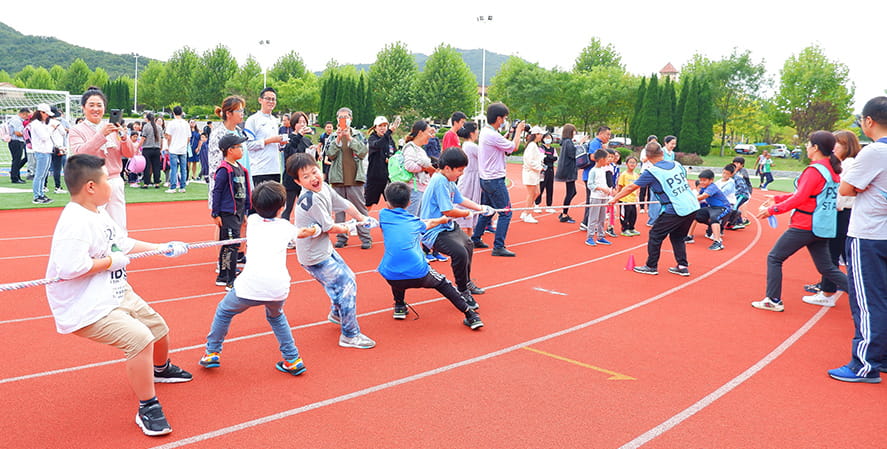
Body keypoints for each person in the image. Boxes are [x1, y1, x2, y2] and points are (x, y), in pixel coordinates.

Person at [45, 154, 191, 436]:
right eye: (107, 180)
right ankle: (148, 406)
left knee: (158, 328)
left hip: (114, 289)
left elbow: (121, 242)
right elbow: (71, 268)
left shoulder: (98, 211)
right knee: (140, 339)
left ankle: (160, 369)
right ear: (90, 186)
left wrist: (162, 247)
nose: (113, 185)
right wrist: (112, 262)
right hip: (86, 303)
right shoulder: (75, 223)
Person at [200, 181, 315, 375]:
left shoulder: (252, 221)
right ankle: (292, 359)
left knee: (224, 312)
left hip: (249, 288)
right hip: (278, 289)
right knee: (277, 317)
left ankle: (212, 352)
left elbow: (245, 221)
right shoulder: (285, 226)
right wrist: (315, 229)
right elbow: (303, 233)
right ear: (283, 207)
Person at [286, 153, 377, 349]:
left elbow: (344, 205)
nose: (313, 178)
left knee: (347, 279)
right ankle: (350, 335)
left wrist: (362, 218)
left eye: (314, 171)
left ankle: (337, 313)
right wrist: (351, 227)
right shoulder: (310, 199)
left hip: (323, 249)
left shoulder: (324, 189)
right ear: (298, 182)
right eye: (306, 176)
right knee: (346, 285)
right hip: (314, 256)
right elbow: (329, 227)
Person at [752, 130, 848, 312]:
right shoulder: (831, 170)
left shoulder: (815, 170)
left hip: (805, 224)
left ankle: (773, 300)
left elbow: (800, 198)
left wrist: (771, 210)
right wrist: (778, 198)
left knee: (775, 257)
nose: (806, 147)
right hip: (822, 225)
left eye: (808, 144)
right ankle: (864, 296)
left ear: (816, 147)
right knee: (827, 268)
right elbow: (808, 194)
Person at [827, 96, 887, 383]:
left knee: (868, 300)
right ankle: (881, 357)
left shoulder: (874, 152)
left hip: (869, 234)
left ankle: (864, 364)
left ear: (869, 121)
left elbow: (848, 189)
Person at [379, 181, 484, 329]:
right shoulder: (415, 222)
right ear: (409, 202)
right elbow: (428, 224)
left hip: (391, 276)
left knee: (396, 265)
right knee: (443, 284)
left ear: (387, 202)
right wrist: (442, 220)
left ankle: (399, 306)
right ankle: (471, 315)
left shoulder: (383, 215)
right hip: (419, 274)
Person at [608, 141, 699, 276]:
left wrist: (614, 199)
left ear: (648, 157)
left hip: (676, 208)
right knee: (677, 236)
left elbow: (631, 187)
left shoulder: (652, 172)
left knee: (655, 235)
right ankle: (682, 266)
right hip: (692, 206)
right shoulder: (677, 164)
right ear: (662, 153)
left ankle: (651, 266)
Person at [420, 147, 492, 308]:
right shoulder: (439, 181)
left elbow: (460, 199)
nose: (461, 174)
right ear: (447, 168)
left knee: (468, 244)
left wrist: (480, 208)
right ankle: (461, 291)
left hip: (447, 226)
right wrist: (467, 213)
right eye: (459, 170)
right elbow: (448, 210)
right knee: (459, 253)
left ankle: (466, 282)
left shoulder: (448, 180)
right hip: (434, 230)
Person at [802, 130, 861, 306]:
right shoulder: (843, 163)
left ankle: (829, 292)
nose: (833, 148)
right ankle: (829, 287)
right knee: (838, 253)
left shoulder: (850, 164)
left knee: (835, 253)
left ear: (847, 145)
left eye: (837, 144)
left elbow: (842, 192)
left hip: (842, 212)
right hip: (841, 211)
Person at [68, 87, 135, 229]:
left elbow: (129, 153)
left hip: (115, 180)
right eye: (91, 105)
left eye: (99, 105)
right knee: (94, 224)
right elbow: (80, 154)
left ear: (105, 108)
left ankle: (118, 249)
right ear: (83, 108)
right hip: (91, 183)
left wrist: (124, 137)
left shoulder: (112, 128)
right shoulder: (77, 130)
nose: (95, 109)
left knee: (118, 223)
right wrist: (101, 135)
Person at [471, 102, 525, 256]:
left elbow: (503, 144)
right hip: (494, 179)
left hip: (486, 178)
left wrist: (509, 133)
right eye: (504, 118)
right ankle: (498, 246)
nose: (505, 121)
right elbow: (514, 147)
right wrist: (518, 131)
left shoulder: (486, 132)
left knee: (487, 210)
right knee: (506, 212)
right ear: (499, 118)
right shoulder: (492, 135)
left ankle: (476, 237)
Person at [324, 107, 373, 249]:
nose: (343, 120)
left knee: (360, 209)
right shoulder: (332, 136)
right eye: (341, 117)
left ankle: (365, 237)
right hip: (338, 178)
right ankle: (341, 237)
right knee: (339, 209)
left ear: (351, 119)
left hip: (355, 176)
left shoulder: (358, 135)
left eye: (346, 117)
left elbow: (363, 152)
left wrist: (349, 138)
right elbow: (330, 155)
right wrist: (338, 138)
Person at [211, 135, 252, 290]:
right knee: (231, 244)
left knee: (231, 243)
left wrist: (246, 211)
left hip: (239, 212)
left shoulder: (241, 169)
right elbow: (217, 191)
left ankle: (223, 275)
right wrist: (216, 213)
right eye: (239, 147)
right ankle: (229, 279)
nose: (242, 150)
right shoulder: (224, 170)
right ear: (230, 150)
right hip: (228, 213)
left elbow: (245, 192)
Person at [207, 96, 248, 210]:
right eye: (239, 111)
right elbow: (215, 166)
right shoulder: (218, 135)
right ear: (228, 114)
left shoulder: (240, 133)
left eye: (242, 111)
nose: (242, 113)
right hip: (227, 189)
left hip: (241, 184)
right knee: (224, 224)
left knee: (242, 224)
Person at [244, 87, 287, 186]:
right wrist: (269, 141)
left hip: (275, 168)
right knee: (260, 200)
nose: (271, 102)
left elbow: (276, 145)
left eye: (273, 99)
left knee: (276, 200)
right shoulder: (253, 120)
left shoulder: (275, 120)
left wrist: (281, 143)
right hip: (260, 170)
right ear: (260, 100)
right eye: (268, 99)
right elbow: (248, 145)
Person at [685, 169, 730, 251]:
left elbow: (703, 197)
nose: (702, 182)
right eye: (700, 180)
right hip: (712, 208)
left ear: (711, 180)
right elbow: (698, 196)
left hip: (723, 208)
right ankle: (689, 236)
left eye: (704, 180)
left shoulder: (712, 187)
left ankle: (718, 242)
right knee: (694, 214)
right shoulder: (703, 187)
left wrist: (689, 200)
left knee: (714, 218)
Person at [281, 111, 314, 221]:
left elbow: (310, 157)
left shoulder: (306, 140)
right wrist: (299, 135)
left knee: (307, 208)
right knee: (288, 207)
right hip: (291, 178)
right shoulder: (289, 138)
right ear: (294, 124)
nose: (302, 125)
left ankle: (306, 230)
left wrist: (316, 152)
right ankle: (284, 232)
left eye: (304, 122)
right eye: (299, 122)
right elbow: (290, 153)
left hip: (305, 178)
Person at [401, 120, 436, 216]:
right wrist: (425, 168)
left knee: (418, 219)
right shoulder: (411, 148)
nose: (430, 135)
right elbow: (409, 166)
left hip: (420, 189)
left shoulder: (419, 149)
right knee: (411, 219)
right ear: (420, 132)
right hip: (414, 190)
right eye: (428, 132)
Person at [365, 115, 400, 208]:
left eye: (385, 126)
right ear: (375, 128)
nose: (382, 128)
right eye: (380, 126)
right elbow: (377, 145)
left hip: (388, 177)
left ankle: (392, 221)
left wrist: (392, 159)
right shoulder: (372, 138)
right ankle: (363, 221)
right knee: (369, 203)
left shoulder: (390, 140)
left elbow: (395, 153)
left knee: (392, 203)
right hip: (375, 177)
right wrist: (389, 132)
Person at [582, 126, 612, 228]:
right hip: (591, 175)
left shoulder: (599, 144)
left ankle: (588, 223)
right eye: (608, 134)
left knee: (595, 200)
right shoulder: (595, 142)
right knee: (592, 200)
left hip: (595, 175)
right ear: (601, 134)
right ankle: (586, 223)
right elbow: (592, 156)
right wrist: (603, 157)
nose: (609, 137)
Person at [455, 122, 481, 234]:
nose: (478, 133)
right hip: (471, 178)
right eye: (477, 130)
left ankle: (469, 230)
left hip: (470, 176)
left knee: (466, 202)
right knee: (466, 202)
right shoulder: (471, 146)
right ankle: (465, 229)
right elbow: (485, 156)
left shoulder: (466, 145)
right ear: (472, 133)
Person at [584, 150, 614, 246]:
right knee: (593, 218)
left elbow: (604, 182)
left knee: (602, 217)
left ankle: (601, 236)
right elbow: (590, 184)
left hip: (604, 197)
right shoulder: (593, 171)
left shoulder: (603, 169)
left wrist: (608, 190)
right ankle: (590, 237)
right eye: (606, 158)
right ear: (601, 160)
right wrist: (601, 188)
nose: (608, 160)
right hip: (596, 197)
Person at [27, 104, 54, 204]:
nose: (47, 116)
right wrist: (51, 129)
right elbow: (44, 137)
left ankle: (41, 194)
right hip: (41, 152)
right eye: (46, 114)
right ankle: (37, 195)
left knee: (43, 175)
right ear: (41, 112)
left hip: (46, 151)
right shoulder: (36, 124)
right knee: (39, 175)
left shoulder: (40, 123)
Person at [554, 124, 579, 224]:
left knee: (572, 192)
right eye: (574, 131)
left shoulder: (565, 142)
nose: (575, 133)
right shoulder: (568, 142)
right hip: (568, 171)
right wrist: (580, 145)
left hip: (568, 170)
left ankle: (564, 212)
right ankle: (564, 214)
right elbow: (573, 154)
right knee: (570, 192)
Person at [521, 126, 545, 223]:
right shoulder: (532, 145)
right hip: (530, 173)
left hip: (534, 173)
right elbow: (530, 161)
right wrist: (540, 167)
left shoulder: (534, 145)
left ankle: (526, 212)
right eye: (540, 134)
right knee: (531, 194)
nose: (542, 136)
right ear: (536, 135)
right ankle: (527, 213)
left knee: (537, 193)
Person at [164, 106, 190, 193]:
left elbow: (168, 136)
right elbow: (188, 137)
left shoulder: (171, 123)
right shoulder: (186, 123)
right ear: (182, 112)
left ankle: (173, 187)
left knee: (174, 168)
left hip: (174, 148)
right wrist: (184, 145)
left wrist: (169, 146)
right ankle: (182, 187)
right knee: (183, 168)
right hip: (183, 148)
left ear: (173, 113)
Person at [534, 132, 558, 213]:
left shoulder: (553, 149)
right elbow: (542, 158)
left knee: (550, 187)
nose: (548, 139)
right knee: (541, 187)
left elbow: (555, 158)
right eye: (546, 137)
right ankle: (536, 204)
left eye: (549, 137)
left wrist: (548, 157)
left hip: (551, 169)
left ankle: (549, 205)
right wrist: (550, 158)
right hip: (543, 170)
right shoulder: (541, 148)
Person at [617, 156, 641, 236]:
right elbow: (620, 186)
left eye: (634, 162)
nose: (632, 164)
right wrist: (618, 197)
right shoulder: (624, 175)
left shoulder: (636, 175)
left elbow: (637, 187)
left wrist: (637, 197)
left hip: (632, 199)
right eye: (630, 162)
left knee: (633, 215)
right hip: (625, 199)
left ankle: (631, 228)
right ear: (626, 164)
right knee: (625, 215)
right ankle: (624, 229)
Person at [48, 107, 70, 194]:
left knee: (46, 168)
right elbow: (63, 133)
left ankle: (44, 186)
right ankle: (57, 186)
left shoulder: (43, 123)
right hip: (57, 147)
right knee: (57, 168)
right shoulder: (57, 123)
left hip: (47, 147)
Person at [138, 113, 163, 189]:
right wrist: (160, 147)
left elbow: (143, 138)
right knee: (156, 166)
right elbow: (161, 139)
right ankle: (157, 183)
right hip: (157, 149)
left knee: (147, 166)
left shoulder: (146, 126)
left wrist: (137, 147)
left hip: (147, 148)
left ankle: (146, 183)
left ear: (147, 119)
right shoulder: (159, 127)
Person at [6, 108, 29, 184]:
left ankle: (16, 176)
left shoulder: (17, 120)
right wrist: (26, 134)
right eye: (27, 116)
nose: (27, 118)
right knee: (16, 160)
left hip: (17, 141)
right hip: (16, 141)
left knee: (17, 160)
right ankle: (14, 177)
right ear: (24, 114)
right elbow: (17, 133)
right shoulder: (16, 120)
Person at [637, 135, 659, 213]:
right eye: (652, 141)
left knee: (651, 190)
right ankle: (642, 207)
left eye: (655, 142)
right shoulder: (644, 150)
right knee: (643, 190)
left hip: (653, 172)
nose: (654, 143)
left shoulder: (657, 152)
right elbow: (643, 160)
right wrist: (650, 155)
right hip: (645, 171)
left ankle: (649, 206)